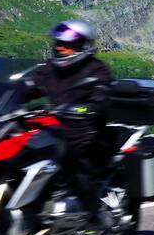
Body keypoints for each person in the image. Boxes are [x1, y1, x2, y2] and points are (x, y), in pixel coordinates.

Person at [23, 20, 114, 221]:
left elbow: (101, 98)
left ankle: (93, 219)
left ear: (83, 46)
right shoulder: (50, 69)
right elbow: (32, 85)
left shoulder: (97, 70)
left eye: (67, 45)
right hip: (55, 131)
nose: (60, 47)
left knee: (77, 169)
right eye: (58, 43)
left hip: (88, 134)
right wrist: (14, 93)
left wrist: (83, 109)